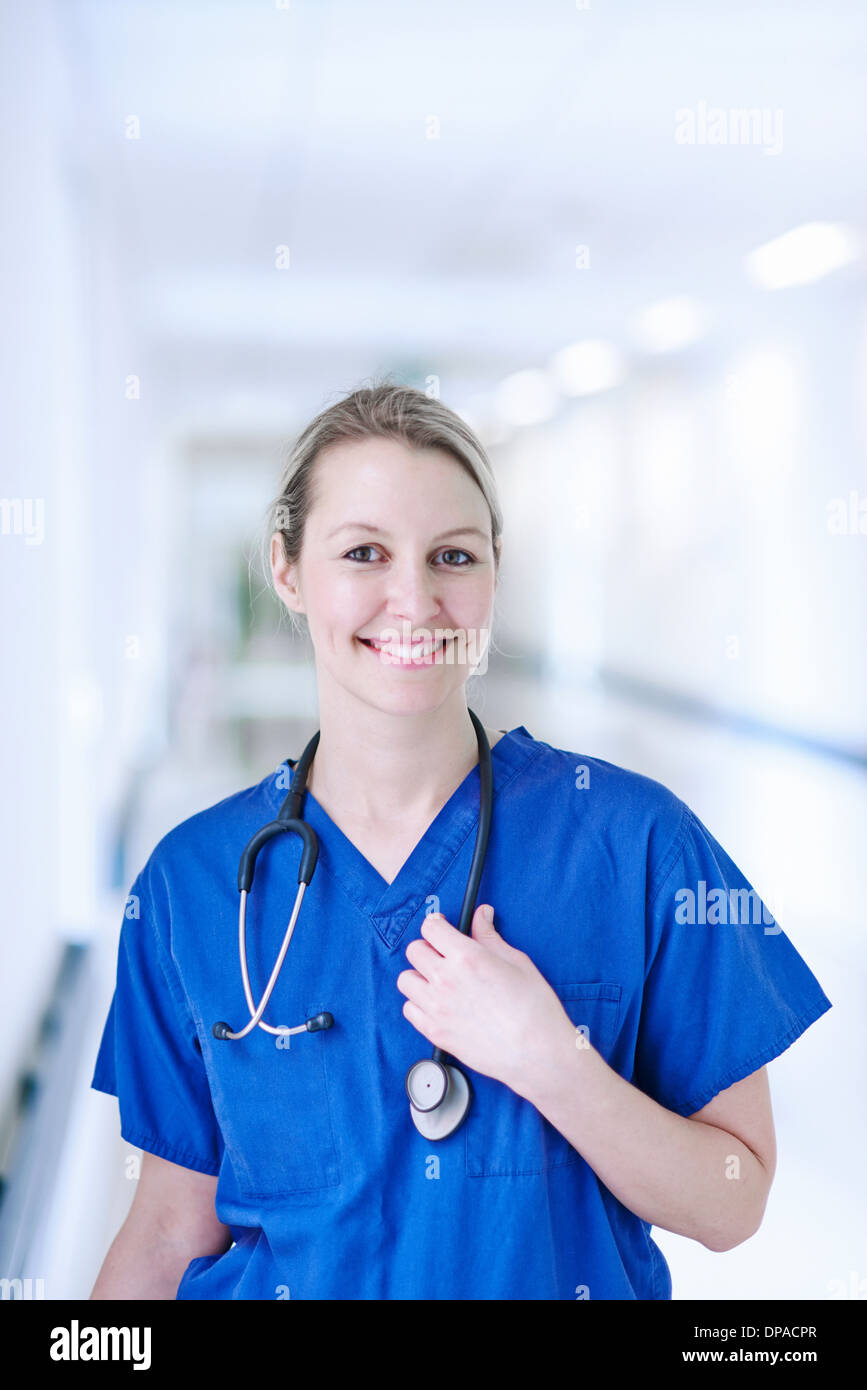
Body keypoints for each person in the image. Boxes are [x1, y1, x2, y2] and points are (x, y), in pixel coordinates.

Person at [90, 382, 831, 1301]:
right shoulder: (191, 882)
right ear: (286, 568)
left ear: (492, 572)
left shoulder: (634, 843)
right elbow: (168, 1223)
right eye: (363, 552)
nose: (414, 599)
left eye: (452, 556)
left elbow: (734, 1198)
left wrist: (553, 1062)